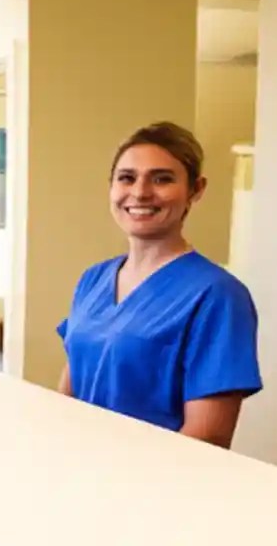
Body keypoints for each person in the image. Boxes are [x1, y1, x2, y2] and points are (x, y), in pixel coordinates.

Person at [56, 122, 261, 448]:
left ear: (196, 189)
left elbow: (208, 435)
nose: (140, 192)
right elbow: (69, 390)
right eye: (126, 178)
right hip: (79, 471)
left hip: (153, 485)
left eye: (162, 179)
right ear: (111, 187)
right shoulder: (92, 280)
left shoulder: (217, 295)